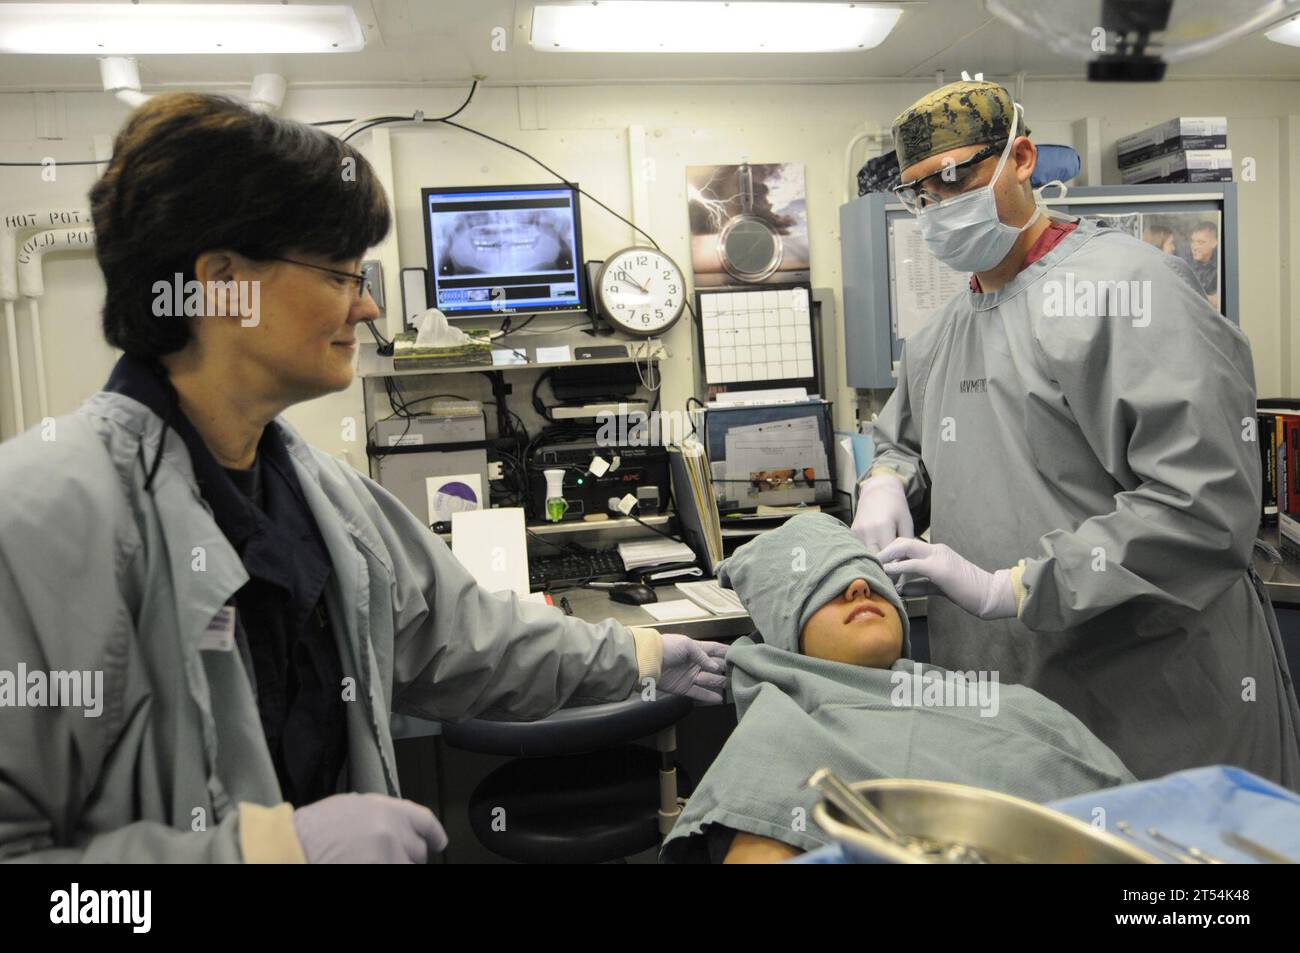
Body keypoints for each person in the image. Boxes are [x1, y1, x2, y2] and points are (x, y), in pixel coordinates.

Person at [0, 92, 727, 863]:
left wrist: (639, 657)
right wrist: (265, 854)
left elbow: (464, 643)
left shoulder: (323, 496)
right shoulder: (38, 520)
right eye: (341, 274)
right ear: (220, 282)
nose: (369, 303)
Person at [852, 80, 1300, 790]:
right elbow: (906, 444)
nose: (937, 208)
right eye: (919, 194)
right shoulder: (941, 333)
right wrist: (886, 481)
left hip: (1152, 703)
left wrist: (1017, 587)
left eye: (953, 178)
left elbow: (1206, 506)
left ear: (1022, 158)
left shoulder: (1131, 290)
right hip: (1012, 697)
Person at [660, 514, 1135, 864]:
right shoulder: (781, 736)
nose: (859, 588)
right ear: (787, 636)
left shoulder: (1009, 704)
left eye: (869, 578)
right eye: (824, 586)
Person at [1188, 220, 1221, 309]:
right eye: (1193, 241)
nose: (1194, 247)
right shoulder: (1186, 265)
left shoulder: (1222, 267)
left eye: (1200, 242)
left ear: (1214, 243)